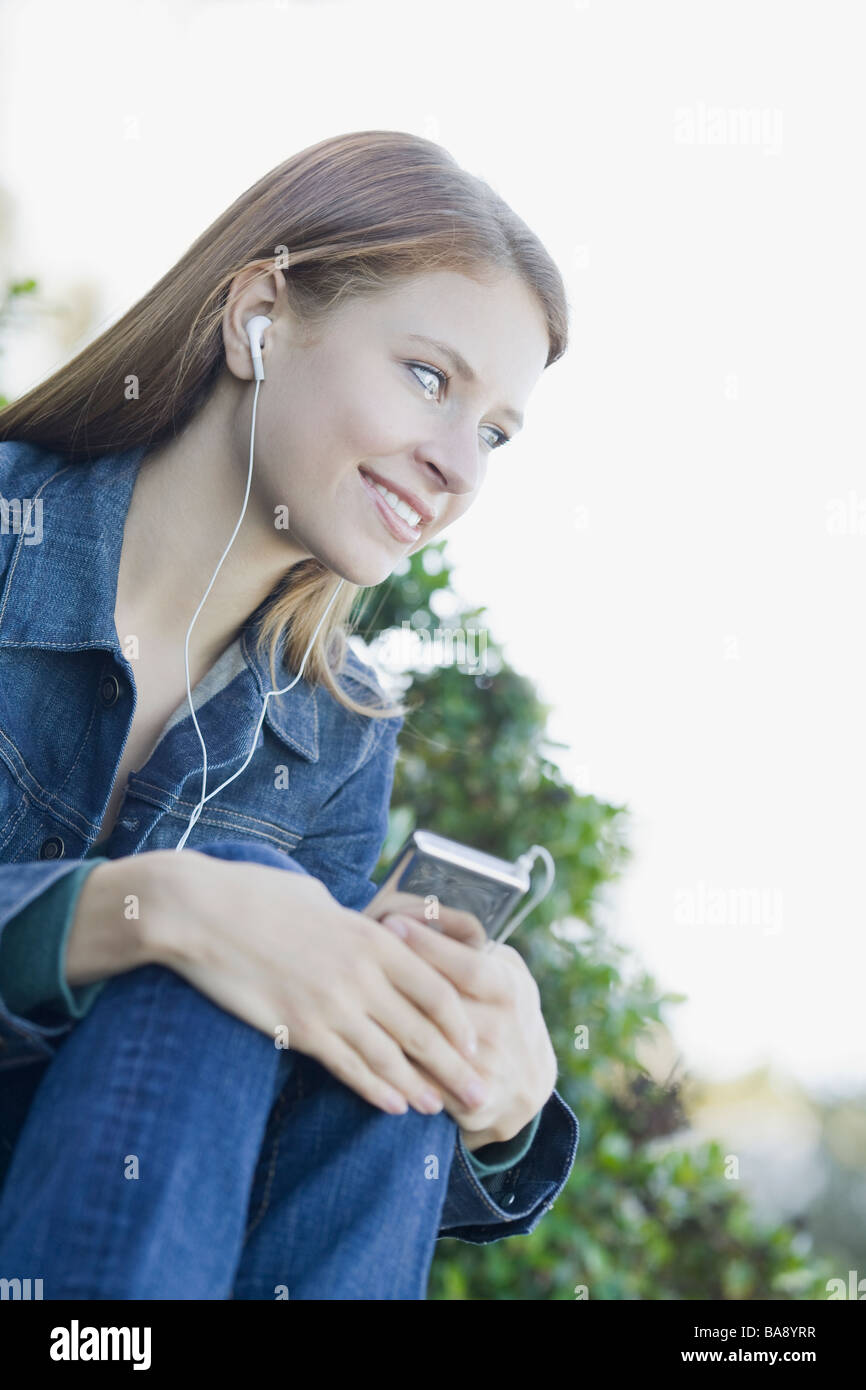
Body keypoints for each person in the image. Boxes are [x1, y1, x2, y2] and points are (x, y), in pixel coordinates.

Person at [0, 129, 579, 1300]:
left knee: (361, 1007)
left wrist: (493, 1086)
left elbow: (283, 1148)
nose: (460, 467)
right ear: (259, 314)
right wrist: (152, 906)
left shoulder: (338, 732)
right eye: (429, 377)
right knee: (225, 915)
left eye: (496, 434)